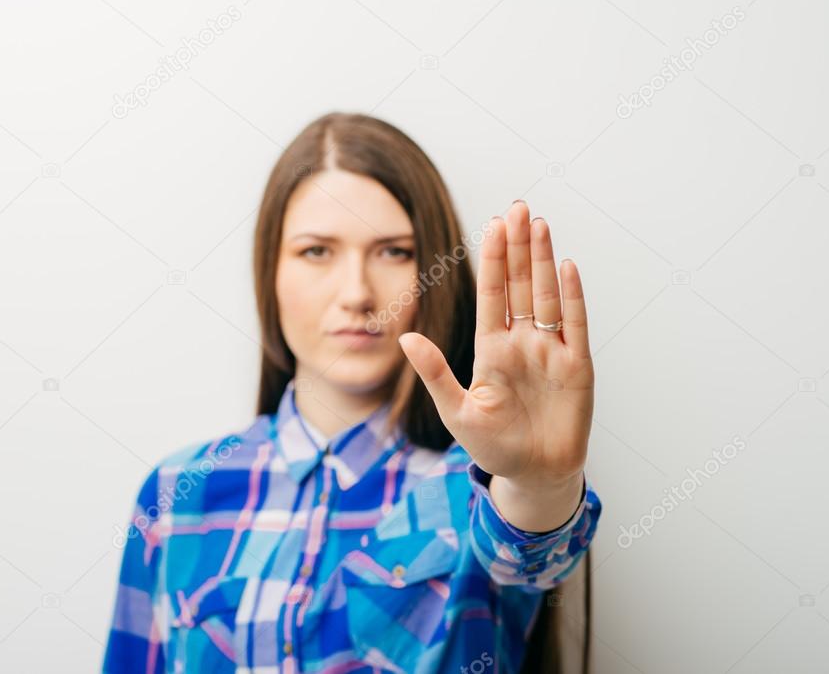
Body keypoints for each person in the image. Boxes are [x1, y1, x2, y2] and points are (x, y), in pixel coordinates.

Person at [102, 112, 602, 674]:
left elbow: (531, 554)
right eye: (317, 251)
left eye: (394, 252)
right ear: (269, 271)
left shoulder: (478, 487)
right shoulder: (177, 493)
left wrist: (541, 481)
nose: (357, 293)